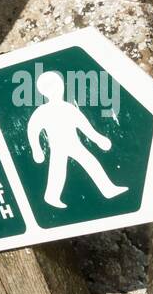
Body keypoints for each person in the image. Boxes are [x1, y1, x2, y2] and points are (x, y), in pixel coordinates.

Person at [27, 71, 129, 209]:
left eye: (57, 84)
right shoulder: (42, 111)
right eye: (51, 86)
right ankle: (51, 196)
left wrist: (98, 139)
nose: (56, 89)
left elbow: (84, 126)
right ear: (43, 91)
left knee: (91, 163)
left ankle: (108, 189)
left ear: (62, 86)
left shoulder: (69, 108)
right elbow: (33, 130)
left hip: (75, 144)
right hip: (59, 147)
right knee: (58, 170)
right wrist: (36, 149)